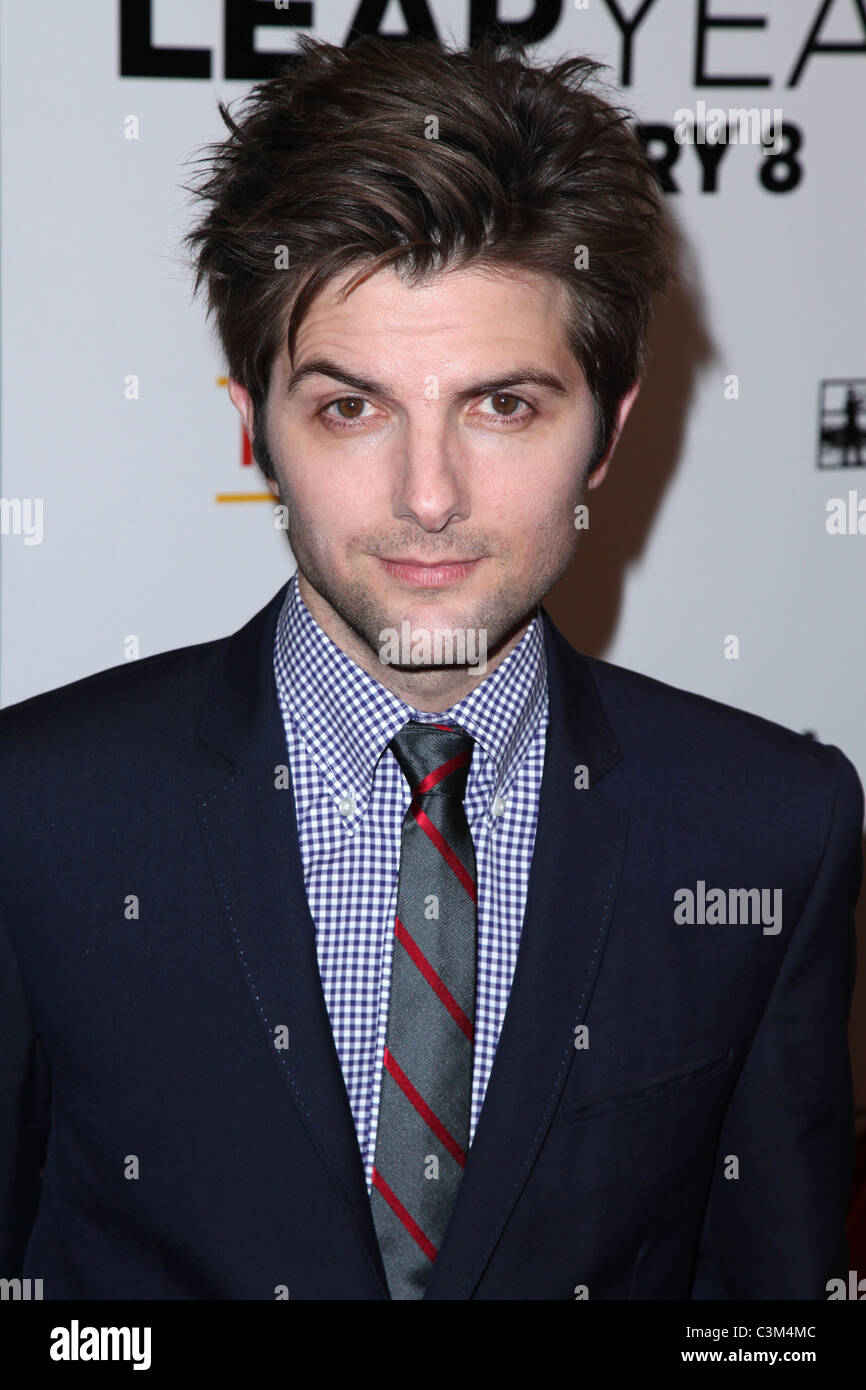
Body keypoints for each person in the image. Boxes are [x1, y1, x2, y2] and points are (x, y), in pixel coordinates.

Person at [0, 32, 861, 1302]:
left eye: (501, 406)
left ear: (607, 434)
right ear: (256, 432)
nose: (429, 497)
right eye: (350, 407)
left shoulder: (766, 828)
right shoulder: (40, 809)